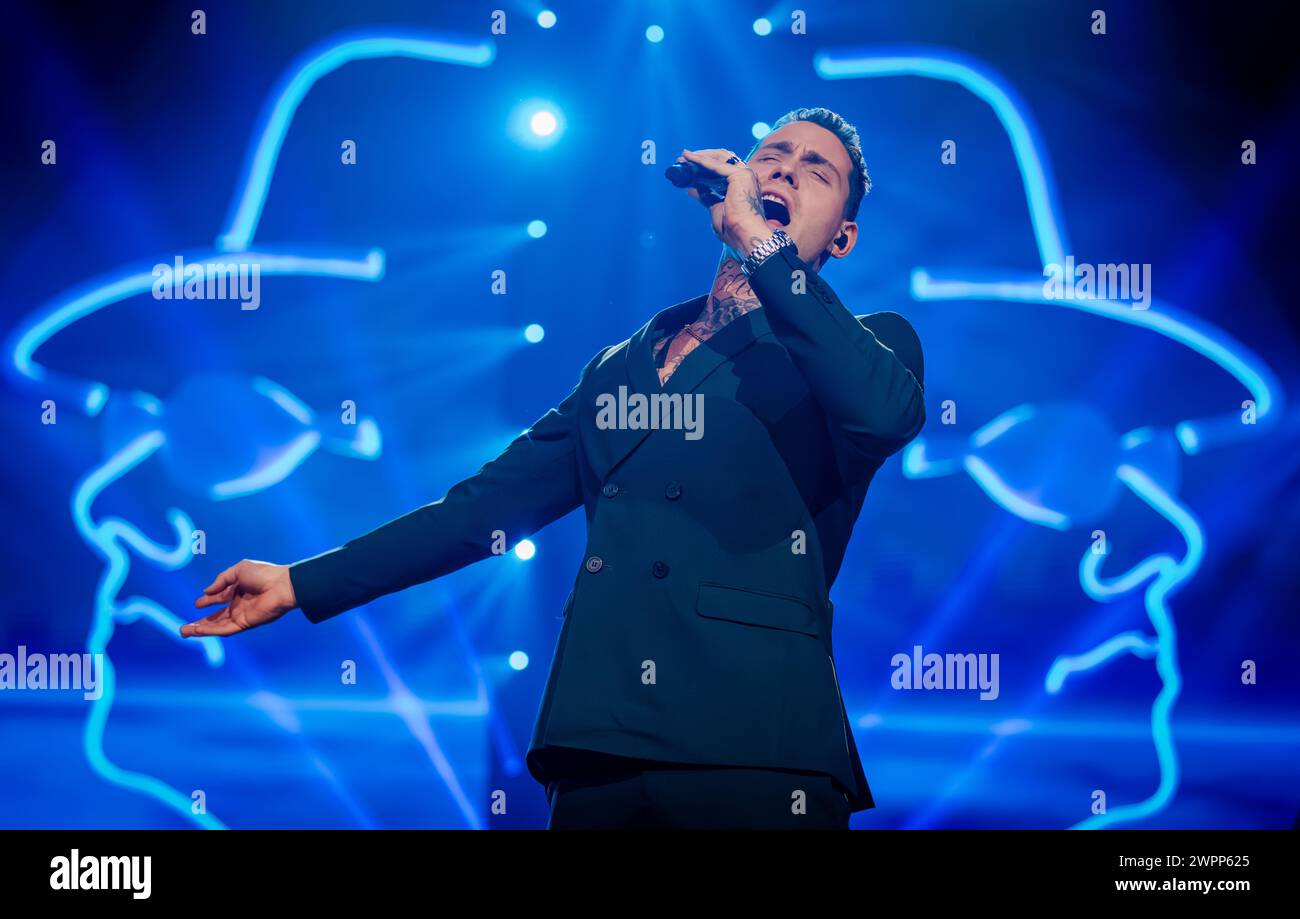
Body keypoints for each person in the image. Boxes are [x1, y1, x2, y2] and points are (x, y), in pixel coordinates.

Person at [182, 107, 926, 830]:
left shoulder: (867, 347)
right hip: (599, 744)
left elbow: (884, 412)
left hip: (758, 749)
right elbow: (479, 511)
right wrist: (300, 580)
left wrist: (763, 248)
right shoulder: (620, 367)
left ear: (844, 236)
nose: (785, 171)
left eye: (815, 170)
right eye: (772, 157)